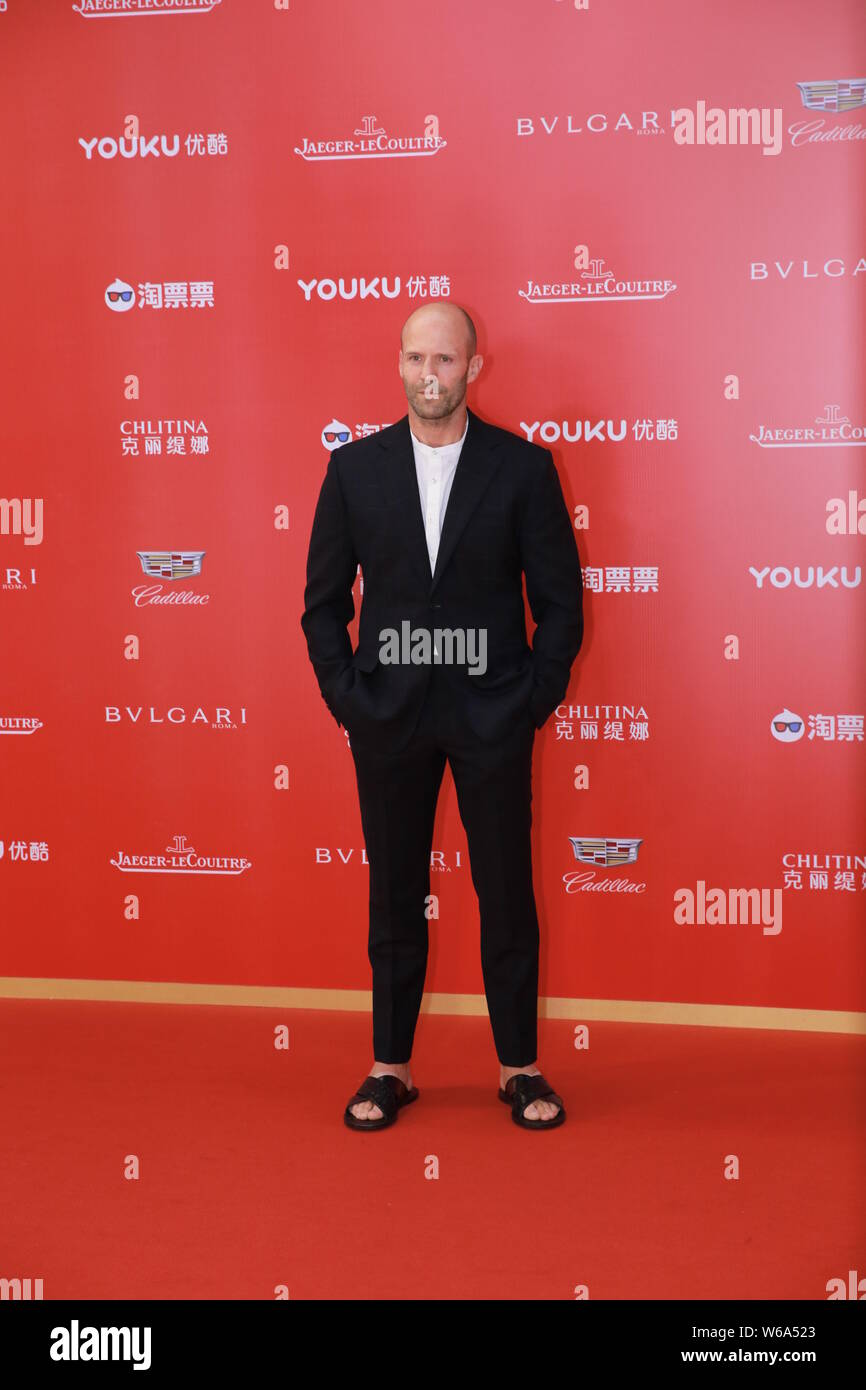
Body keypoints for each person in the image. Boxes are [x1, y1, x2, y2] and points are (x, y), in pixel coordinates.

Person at [301, 302, 583, 1130]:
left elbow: (559, 605)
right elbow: (323, 605)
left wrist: (532, 699)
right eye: (418, 358)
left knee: (506, 891)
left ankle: (520, 1068)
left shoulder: (524, 469)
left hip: (492, 715)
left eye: (447, 361)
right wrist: (348, 698)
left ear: (474, 368)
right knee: (392, 895)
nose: (432, 374)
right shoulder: (354, 471)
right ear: (398, 364)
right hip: (387, 717)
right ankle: (389, 1067)